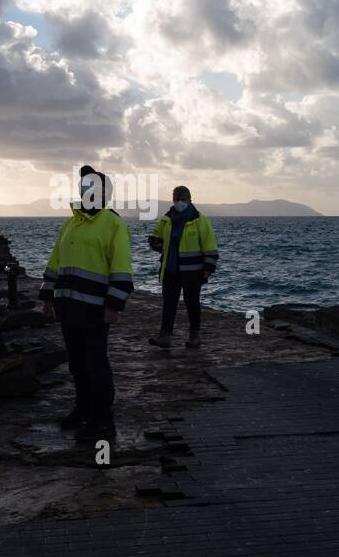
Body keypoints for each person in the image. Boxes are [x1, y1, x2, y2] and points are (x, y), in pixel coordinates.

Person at [39, 165, 133, 442]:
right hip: (68, 307)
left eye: (89, 185)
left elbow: (121, 269)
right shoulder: (72, 223)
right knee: (77, 363)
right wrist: (47, 296)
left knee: (96, 363)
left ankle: (102, 418)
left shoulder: (113, 224)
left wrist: (113, 306)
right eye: (82, 185)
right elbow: (56, 261)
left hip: (94, 310)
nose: (83, 189)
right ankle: (82, 409)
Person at [147, 186, 218, 349]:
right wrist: (155, 243)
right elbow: (156, 236)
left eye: (183, 199)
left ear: (190, 200)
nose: (179, 202)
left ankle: (195, 336)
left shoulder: (200, 220)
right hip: (171, 270)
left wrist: (208, 268)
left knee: (192, 302)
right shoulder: (166, 219)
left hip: (193, 272)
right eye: (177, 199)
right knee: (169, 303)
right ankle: (165, 336)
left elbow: (210, 246)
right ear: (173, 200)